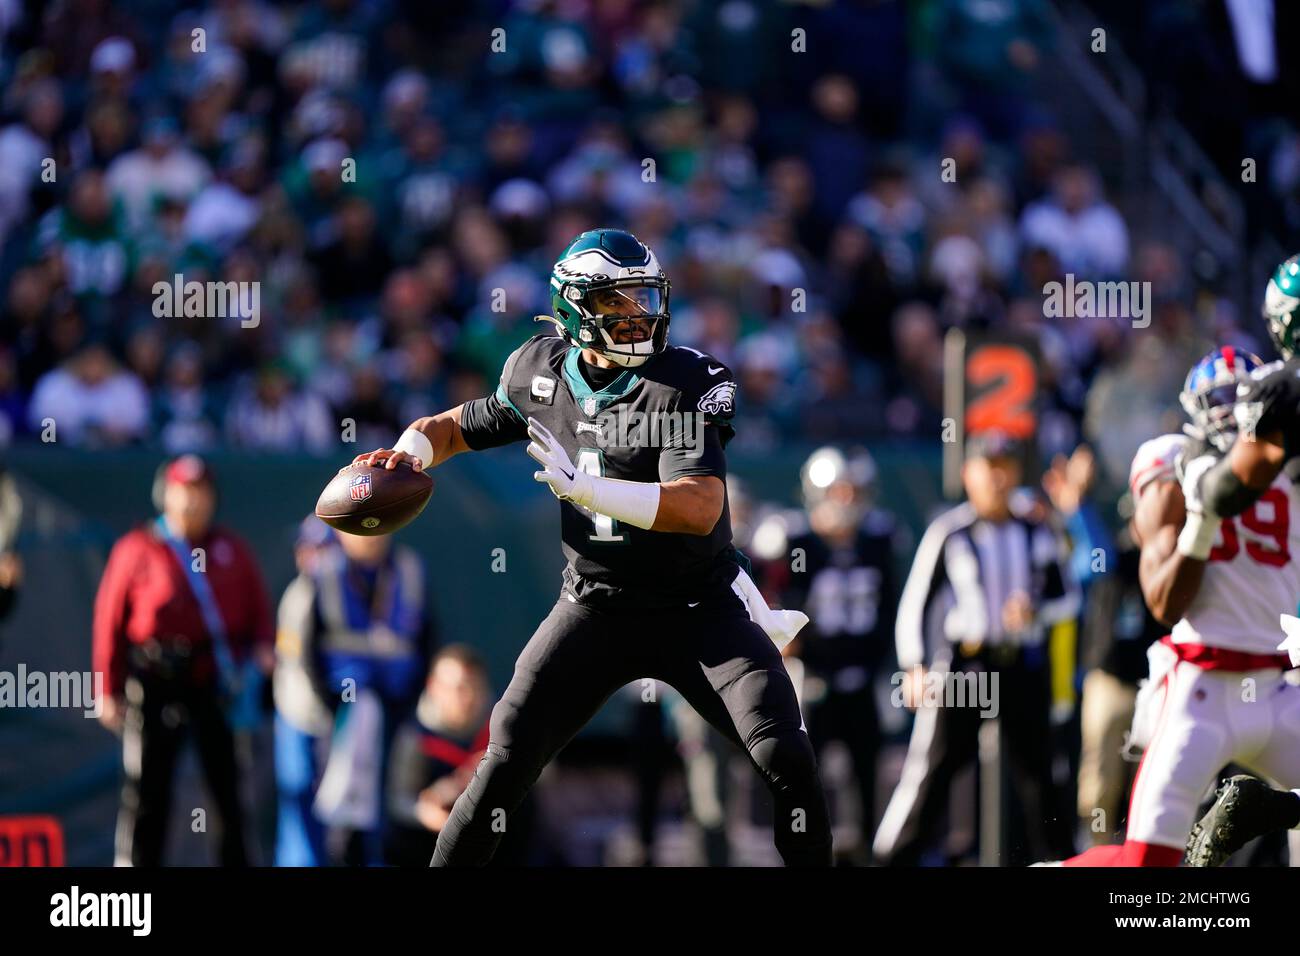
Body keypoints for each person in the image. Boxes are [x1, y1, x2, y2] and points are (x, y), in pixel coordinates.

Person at [354, 228, 832, 867]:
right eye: (618, 302)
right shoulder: (539, 372)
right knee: (504, 760)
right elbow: (457, 428)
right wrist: (410, 451)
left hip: (698, 609)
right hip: (594, 607)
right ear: (577, 308)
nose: (639, 315)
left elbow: (701, 507)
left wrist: (592, 490)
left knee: (786, 754)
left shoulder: (684, 380)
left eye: (644, 298)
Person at [1061, 346, 1300, 867]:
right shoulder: (1173, 462)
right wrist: (1203, 519)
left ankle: (1267, 812)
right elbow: (1165, 601)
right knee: (1149, 867)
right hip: (1201, 688)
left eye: (1238, 396)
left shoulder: (1287, 457)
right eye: (1215, 398)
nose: (1226, 410)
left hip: (1279, 685)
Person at [873, 431, 1079, 866]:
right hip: (969, 666)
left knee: (1041, 775)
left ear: (1017, 473)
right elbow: (915, 605)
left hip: (1022, 662)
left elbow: (1068, 595)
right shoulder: (951, 532)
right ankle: (894, 857)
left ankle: (1060, 859)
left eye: (1005, 469)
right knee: (935, 767)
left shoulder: (1036, 529)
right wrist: (915, 665)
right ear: (969, 475)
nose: (998, 480)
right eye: (989, 469)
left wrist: (1035, 610)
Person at [93, 454, 274, 866]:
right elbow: (109, 621)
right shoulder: (137, 549)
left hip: (212, 682)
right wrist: (107, 688)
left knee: (228, 790)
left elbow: (259, 612)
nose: (192, 502)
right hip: (154, 680)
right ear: (165, 495)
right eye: (183, 491)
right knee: (146, 790)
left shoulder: (231, 549)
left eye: (201, 492)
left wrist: (263, 651)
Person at [770, 446, 900, 862]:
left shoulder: (879, 539)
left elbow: (890, 607)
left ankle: (865, 850)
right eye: (838, 491)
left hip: (863, 675)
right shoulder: (796, 540)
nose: (846, 500)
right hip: (813, 676)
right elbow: (777, 600)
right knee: (806, 774)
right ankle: (808, 853)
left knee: (867, 773)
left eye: (853, 491)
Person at [290, 528, 434, 866]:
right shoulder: (323, 571)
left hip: (397, 706)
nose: (370, 533)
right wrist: (330, 706)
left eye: (380, 521)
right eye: (360, 523)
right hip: (347, 711)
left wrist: (411, 698)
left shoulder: (410, 567)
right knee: (344, 805)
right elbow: (307, 648)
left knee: (391, 799)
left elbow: (427, 637)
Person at [384, 645, 496, 867]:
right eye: (458, 688)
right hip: (427, 841)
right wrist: (425, 813)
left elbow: (543, 778)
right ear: (434, 687)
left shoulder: (501, 726)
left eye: (475, 687)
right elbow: (399, 800)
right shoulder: (416, 734)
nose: (468, 697)